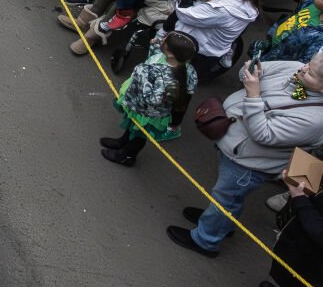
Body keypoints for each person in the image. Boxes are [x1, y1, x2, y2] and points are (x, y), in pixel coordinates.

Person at [168, 50, 323, 259]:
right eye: (307, 64)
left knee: (226, 199)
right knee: (229, 198)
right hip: (235, 148)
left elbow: (263, 134)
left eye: (311, 73)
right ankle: (221, 222)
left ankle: (205, 240)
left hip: (248, 164)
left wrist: (253, 94)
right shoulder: (295, 66)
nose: (302, 69)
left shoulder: (316, 119)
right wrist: (249, 71)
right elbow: (251, 72)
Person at [100, 30, 197, 167]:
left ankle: (127, 156)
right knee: (131, 126)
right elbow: (155, 56)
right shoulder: (177, 63)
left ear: (169, 52)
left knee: (139, 136)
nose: (160, 40)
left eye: (164, 41)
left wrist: (140, 76)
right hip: (139, 107)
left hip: (147, 113)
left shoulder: (169, 79)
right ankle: (122, 142)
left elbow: (153, 99)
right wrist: (154, 45)